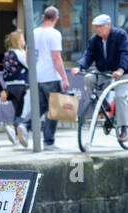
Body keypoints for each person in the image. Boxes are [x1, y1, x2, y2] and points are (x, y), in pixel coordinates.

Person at [71, 14, 128, 142]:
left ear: (108, 25)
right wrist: (79, 67)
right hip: (103, 70)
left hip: (122, 71)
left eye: (101, 26)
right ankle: (103, 103)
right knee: (89, 78)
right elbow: (88, 55)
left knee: (120, 96)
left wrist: (120, 69)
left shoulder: (120, 35)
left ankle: (124, 128)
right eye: (96, 27)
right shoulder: (94, 40)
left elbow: (125, 53)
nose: (98, 30)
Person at [33, 5, 70, 148]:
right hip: (51, 76)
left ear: (43, 17)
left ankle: (23, 124)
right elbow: (56, 58)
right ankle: (49, 141)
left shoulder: (34, 32)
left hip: (37, 76)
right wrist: (64, 78)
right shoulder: (55, 34)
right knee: (55, 109)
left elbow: (30, 56)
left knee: (41, 107)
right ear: (57, 18)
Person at [1, 30, 30, 146]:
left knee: (17, 110)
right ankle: (13, 128)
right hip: (20, 85)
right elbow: (30, 65)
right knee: (22, 112)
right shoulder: (20, 54)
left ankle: (17, 136)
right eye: (22, 39)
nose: (24, 41)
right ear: (18, 41)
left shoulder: (8, 54)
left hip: (10, 86)